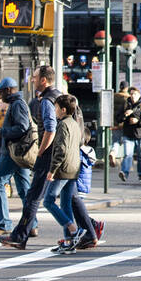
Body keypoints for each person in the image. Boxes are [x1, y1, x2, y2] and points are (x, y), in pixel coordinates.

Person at [0, 67, 66, 250]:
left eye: (35, 77)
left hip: (49, 153)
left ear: (43, 80)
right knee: (71, 197)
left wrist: (40, 151)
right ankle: (89, 232)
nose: (32, 80)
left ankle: (20, 236)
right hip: (63, 153)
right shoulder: (59, 96)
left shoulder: (46, 101)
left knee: (33, 197)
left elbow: (50, 128)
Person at [40, 94, 104, 253]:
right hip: (74, 168)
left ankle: (73, 230)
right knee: (65, 204)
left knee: (48, 201)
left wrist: (52, 170)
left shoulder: (62, 125)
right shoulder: (75, 124)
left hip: (64, 169)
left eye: (55, 108)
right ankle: (69, 242)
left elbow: (61, 150)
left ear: (62, 109)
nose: (54, 111)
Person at [0, 77, 38, 239]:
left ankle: (4, 223)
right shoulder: (18, 103)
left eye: (1, 92)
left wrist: (0, 132)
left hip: (13, 151)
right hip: (18, 151)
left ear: (8, 90)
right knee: (24, 189)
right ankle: (32, 224)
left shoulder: (17, 104)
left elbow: (22, 127)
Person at [116, 86, 141, 183]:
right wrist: (125, 115)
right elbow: (118, 119)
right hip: (128, 134)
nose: (133, 96)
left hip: (140, 134)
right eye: (132, 94)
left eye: (135, 94)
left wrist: (137, 121)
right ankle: (124, 173)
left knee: (140, 155)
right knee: (128, 154)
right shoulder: (125, 105)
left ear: (139, 95)